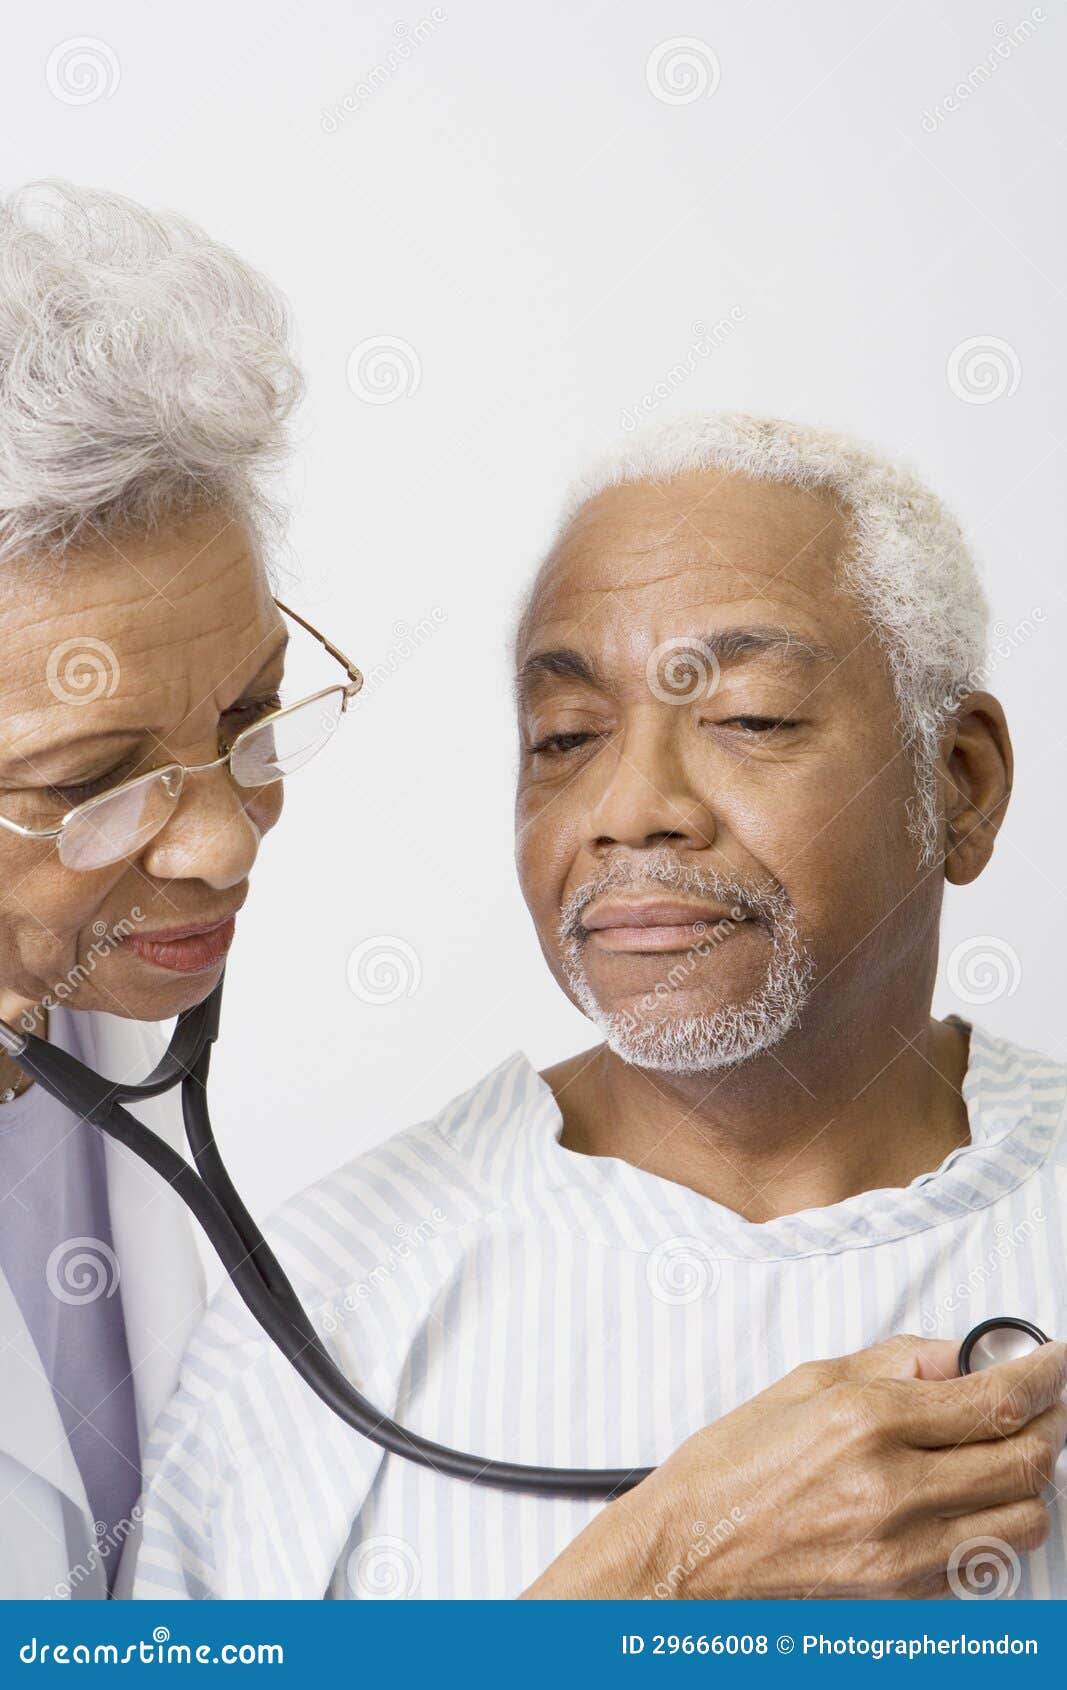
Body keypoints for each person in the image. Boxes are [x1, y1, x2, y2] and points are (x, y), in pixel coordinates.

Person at [134, 413, 1067, 1602]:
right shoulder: (331, 1299)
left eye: (748, 719)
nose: (632, 808)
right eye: (566, 738)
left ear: (961, 783)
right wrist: (656, 1583)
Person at [0, 181, 353, 1596]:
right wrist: (631, 1598)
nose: (222, 844)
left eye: (250, 713)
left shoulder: (81, 1035)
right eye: (96, 779)